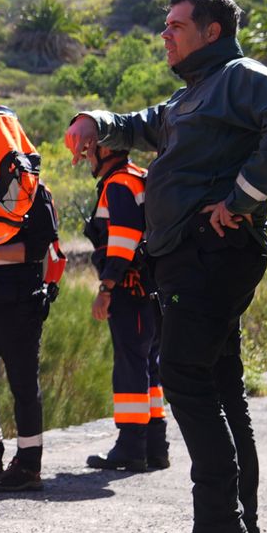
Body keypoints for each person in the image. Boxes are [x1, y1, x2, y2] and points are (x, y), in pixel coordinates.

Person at [65, 0, 267, 533]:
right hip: (191, 256)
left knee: (182, 375)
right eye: (165, 25)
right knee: (221, 388)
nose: (166, 34)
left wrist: (245, 197)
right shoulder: (189, 96)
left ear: (211, 31)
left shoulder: (238, 76)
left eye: (177, 25)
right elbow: (133, 125)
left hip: (211, 251)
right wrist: (94, 121)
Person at [0, 180, 60, 492]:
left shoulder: (35, 191)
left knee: (23, 383)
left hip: (19, 302)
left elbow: (37, 247)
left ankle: (29, 464)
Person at [80, 141, 171, 472]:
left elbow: (121, 241)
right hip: (151, 289)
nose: (86, 158)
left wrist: (106, 287)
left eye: (89, 152)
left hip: (129, 290)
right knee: (150, 366)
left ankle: (131, 447)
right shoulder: (139, 177)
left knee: (131, 366)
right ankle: (156, 447)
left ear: (105, 152)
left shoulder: (118, 184)